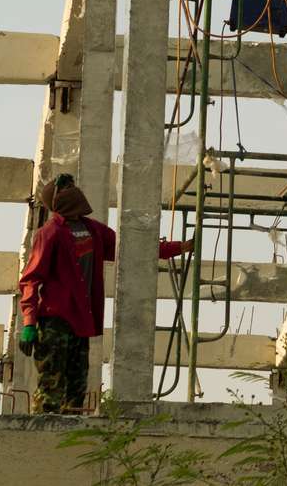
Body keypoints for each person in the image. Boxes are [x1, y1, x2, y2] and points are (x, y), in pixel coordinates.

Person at [17, 173, 190, 413]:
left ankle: (70, 431)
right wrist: (29, 322)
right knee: (51, 388)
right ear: (56, 200)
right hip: (55, 321)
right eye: (67, 188)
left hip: (81, 322)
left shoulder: (93, 230)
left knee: (76, 389)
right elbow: (30, 279)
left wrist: (178, 248)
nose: (74, 190)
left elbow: (133, 248)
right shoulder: (50, 233)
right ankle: (42, 430)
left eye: (73, 186)